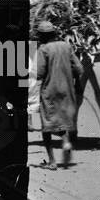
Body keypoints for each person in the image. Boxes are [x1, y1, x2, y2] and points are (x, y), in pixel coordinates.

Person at [34, 21, 83, 170]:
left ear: (42, 36)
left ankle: (52, 161)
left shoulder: (43, 49)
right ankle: (66, 140)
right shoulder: (66, 46)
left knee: (47, 125)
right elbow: (79, 68)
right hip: (67, 89)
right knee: (61, 119)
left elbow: (40, 73)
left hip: (50, 91)